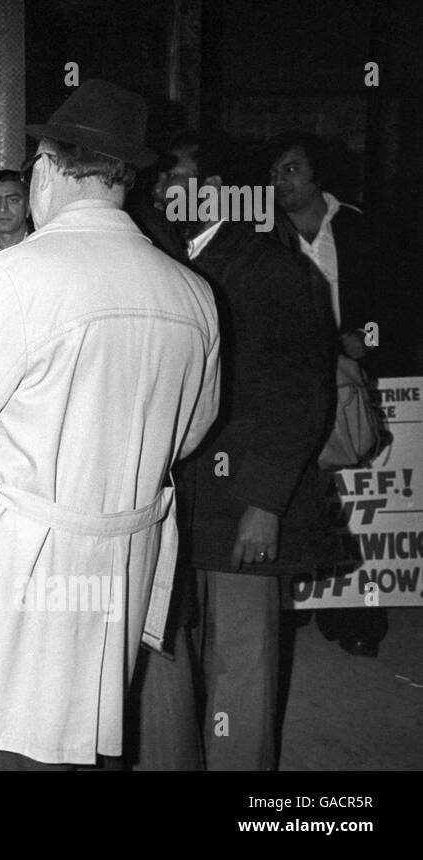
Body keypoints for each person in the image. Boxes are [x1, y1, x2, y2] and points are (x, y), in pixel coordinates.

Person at [0, 79, 221, 770]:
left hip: (21, 566)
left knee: (19, 743)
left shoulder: (13, 277)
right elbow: (189, 434)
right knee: (85, 740)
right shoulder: (193, 294)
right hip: (119, 561)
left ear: (46, 170)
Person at [166, 135, 337, 770]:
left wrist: (264, 503)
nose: (159, 188)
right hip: (180, 501)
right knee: (172, 657)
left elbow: (300, 395)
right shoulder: (169, 256)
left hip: (240, 506)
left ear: (212, 190)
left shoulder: (273, 268)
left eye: (174, 177)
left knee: (241, 665)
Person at [267, 131, 389, 657]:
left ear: (319, 176)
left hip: (355, 382)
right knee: (297, 488)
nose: (281, 182)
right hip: (293, 382)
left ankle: (356, 613)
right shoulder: (264, 235)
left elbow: (399, 298)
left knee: (364, 500)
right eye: (275, 173)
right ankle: (295, 601)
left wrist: (368, 339)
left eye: (292, 170)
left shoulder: (363, 227)